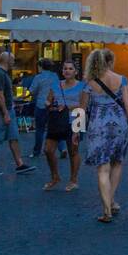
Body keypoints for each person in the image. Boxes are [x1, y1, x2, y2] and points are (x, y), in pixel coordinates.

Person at [80, 49, 128, 223]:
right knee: (117, 163)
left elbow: (81, 109)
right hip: (119, 126)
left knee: (102, 168)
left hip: (98, 126)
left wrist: (77, 131)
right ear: (110, 61)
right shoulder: (122, 79)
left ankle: (107, 210)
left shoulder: (89, 82)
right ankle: (111, 200)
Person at [0, 52, 37, 176]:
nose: (13, 62)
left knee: (14, 137)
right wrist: (5, 113)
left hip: (8, 110)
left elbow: (4, 95)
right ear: (7, 60)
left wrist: (12, 103)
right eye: (12, 60)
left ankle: (20, 164)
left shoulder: (3, 74)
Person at [43, 61, 84, 191]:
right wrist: (49, 104)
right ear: (62, 71)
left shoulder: (81, 86)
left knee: (73, 151)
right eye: (65, 68)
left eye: (70, 68)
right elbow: (48, 100)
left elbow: (83, 106)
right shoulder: (56, 85)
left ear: (75, 72)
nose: (67, 71)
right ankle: (55, 177)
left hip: (75, 119)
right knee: (48, 150)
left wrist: (67, 107)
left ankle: (73, 180)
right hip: (57, 119)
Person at [27, 58, 61, 158]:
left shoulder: (38, 77)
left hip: (41, 105)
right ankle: (62, 148)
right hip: (53, 105)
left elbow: (32, 91)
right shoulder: (55, 76)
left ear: (41, 67)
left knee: (40, 129)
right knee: (56, 128)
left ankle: (37, 151)